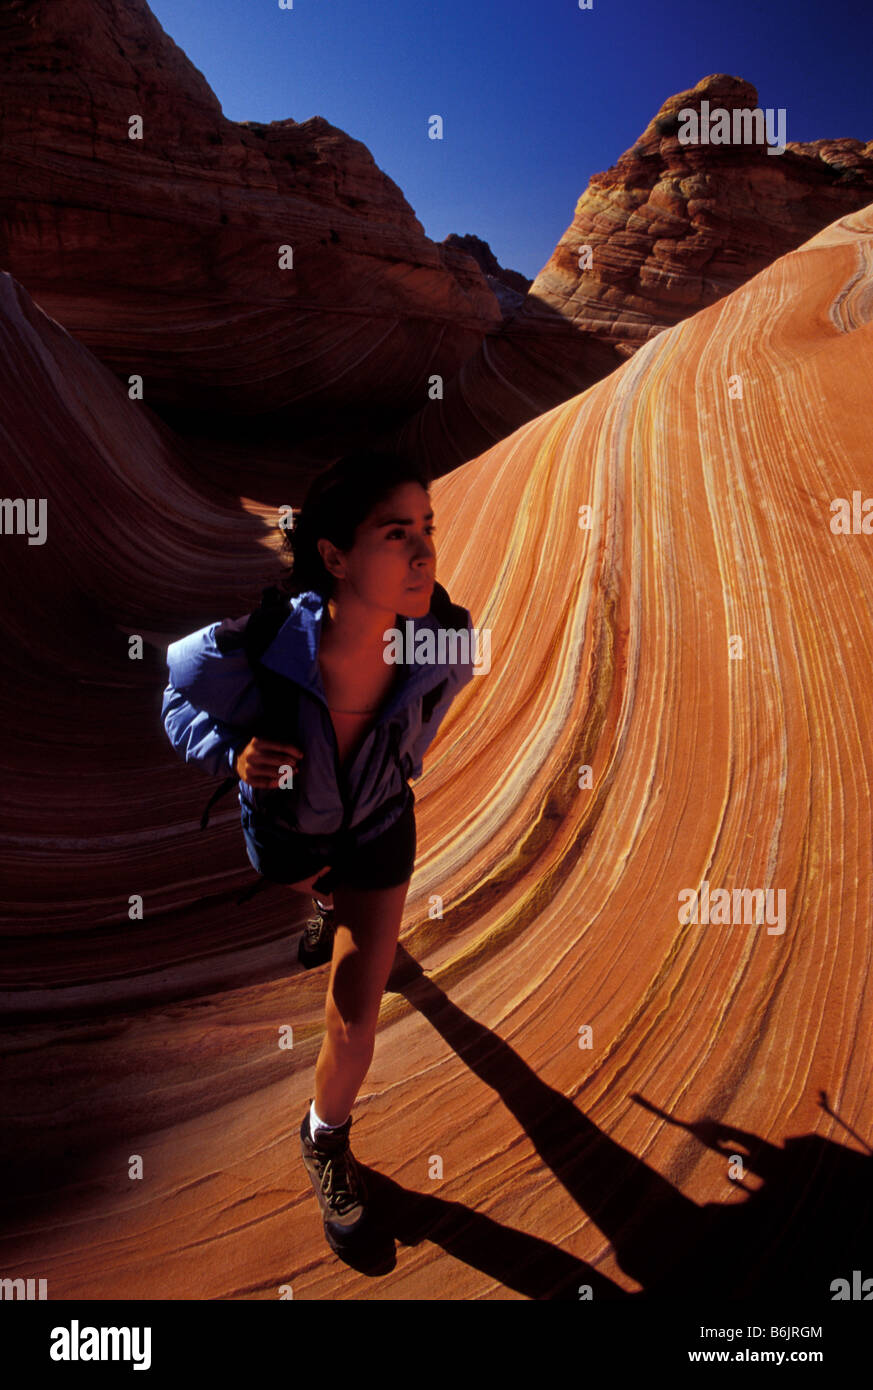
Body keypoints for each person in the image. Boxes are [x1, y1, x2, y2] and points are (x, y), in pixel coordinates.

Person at [161, 451, 477, 1253]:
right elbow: (175, 695)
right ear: (334, 557)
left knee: (353, 1016)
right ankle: (325, 904)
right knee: (319, 895)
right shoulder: (261, 642)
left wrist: (402, 760)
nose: (422, 553)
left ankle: (322, 1135)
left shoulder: (438, 636)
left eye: (427, 530)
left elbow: (447, 684)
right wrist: (229, 754)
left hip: (377, 833)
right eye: (395, 533)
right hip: (288, 841)